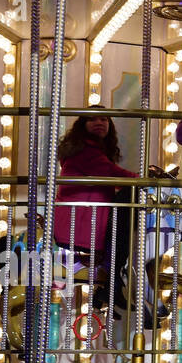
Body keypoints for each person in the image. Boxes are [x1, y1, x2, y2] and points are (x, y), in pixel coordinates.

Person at [54, 110, 137, 312]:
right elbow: (111, 173)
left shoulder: (90, 149)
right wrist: (146, 180)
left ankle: (110, 286)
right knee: (127, 208)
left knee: (126, 209)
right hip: (81, 219)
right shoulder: (84, 150)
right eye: (92, 118)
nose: (99, 122)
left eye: (104, 118)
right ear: (82, 124)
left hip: (87, 215)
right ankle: (113, 284)